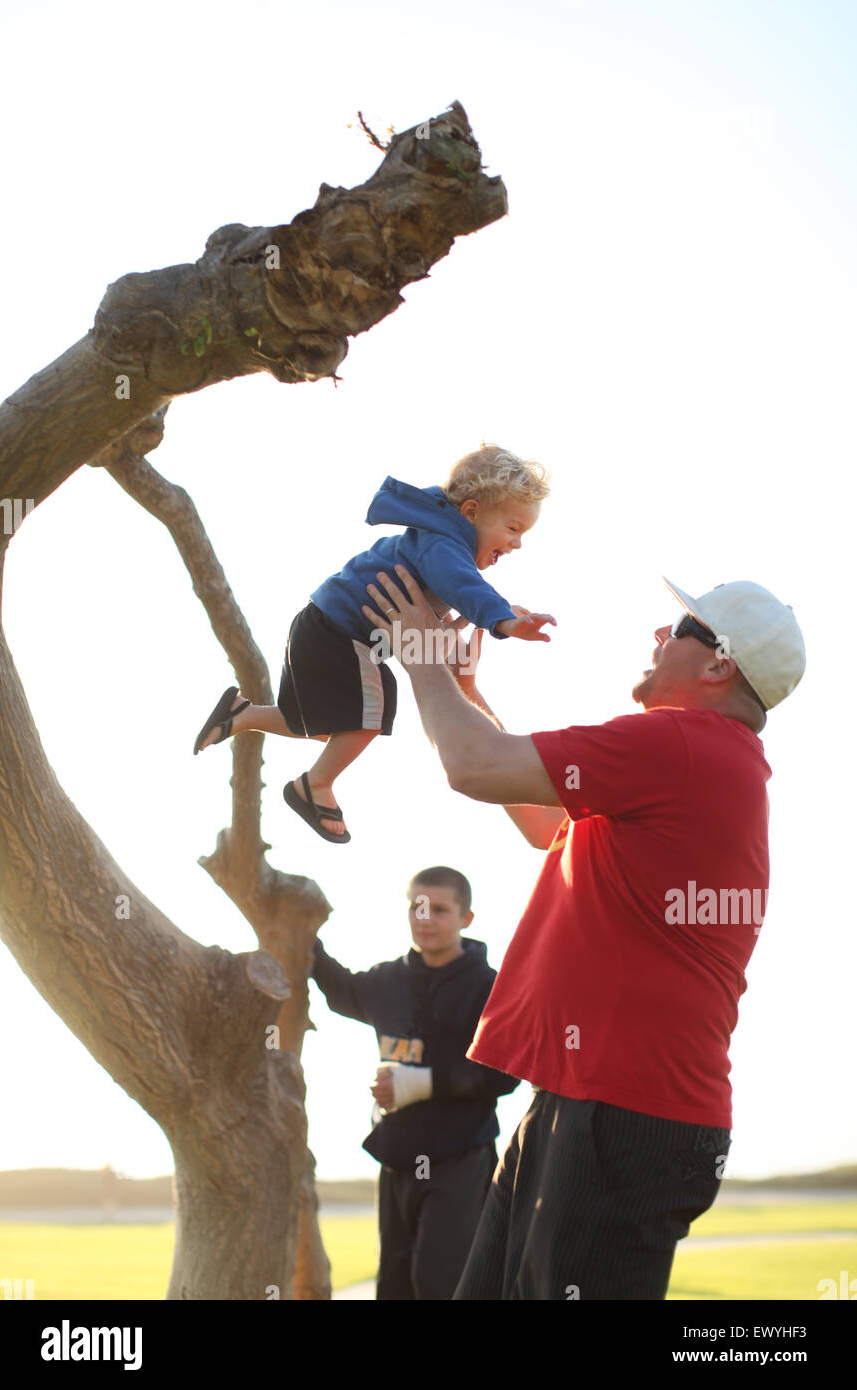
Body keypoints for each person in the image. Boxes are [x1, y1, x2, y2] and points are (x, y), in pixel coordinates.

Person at [362, 566, 806, 1300]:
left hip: (627, 1117)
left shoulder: (682, 745)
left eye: (680, 630)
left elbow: (473, 766)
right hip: (583, 1100)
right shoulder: (698, 761)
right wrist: (464, 692)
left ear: (718, 661)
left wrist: (419, 659)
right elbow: (545, 824)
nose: (660, 637)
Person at [192, 445, 554, 843]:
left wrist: (504, 612)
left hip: (324, 627)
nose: (517, 543)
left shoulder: (437, 545)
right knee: (375, 707)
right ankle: (314, 786)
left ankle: (241, 715)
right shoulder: (443, 546)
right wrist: (503, 620)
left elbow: (465, 592)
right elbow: (467, 588)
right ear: (470, 512)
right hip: (340, 632)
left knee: (328, 723)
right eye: (513, 529)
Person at [309, 864, 520, 1300]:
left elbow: (505, 1076)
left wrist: (418, 1084)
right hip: (398, 1154)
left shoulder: (490, 987)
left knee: (442, 1285)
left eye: (440, 909)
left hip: (460, 1158)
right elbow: (338, 988)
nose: (425, 917)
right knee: (395, 1286)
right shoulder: (388, 980)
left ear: (467, 918)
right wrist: (300, 930)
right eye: (416, 907)